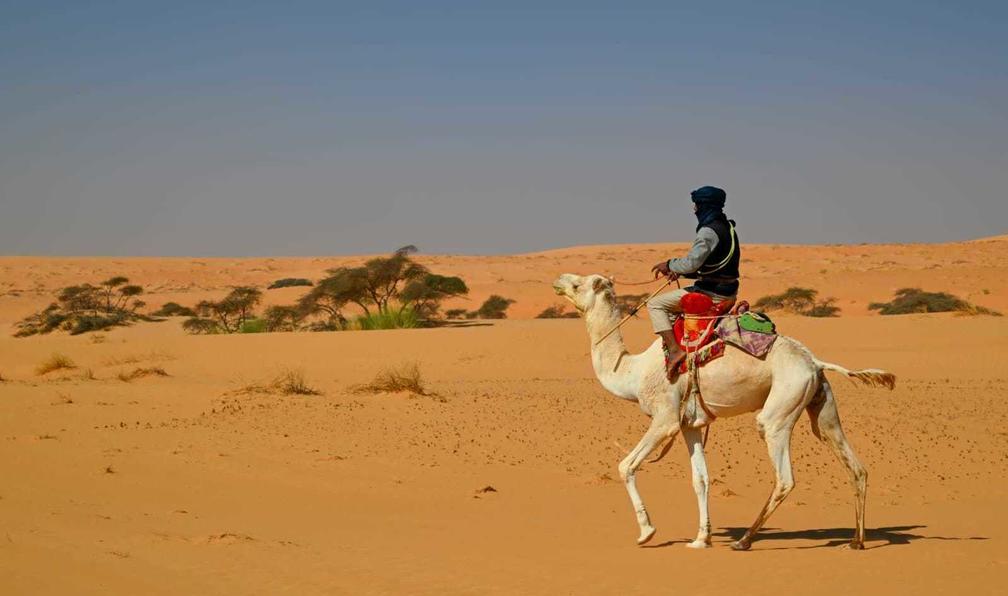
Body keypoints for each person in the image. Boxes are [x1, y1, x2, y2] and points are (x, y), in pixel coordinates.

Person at [647, 185, 740, 374]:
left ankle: (674, 351)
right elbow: (717, 264)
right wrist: (682, 273)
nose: (694, 209)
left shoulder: (708, 231)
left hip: (712, 293)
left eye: (696, 205)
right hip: (728, 291)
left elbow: (691, 263)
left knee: (655, 304)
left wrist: (670, 265)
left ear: (704, 206)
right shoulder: (728, 227)